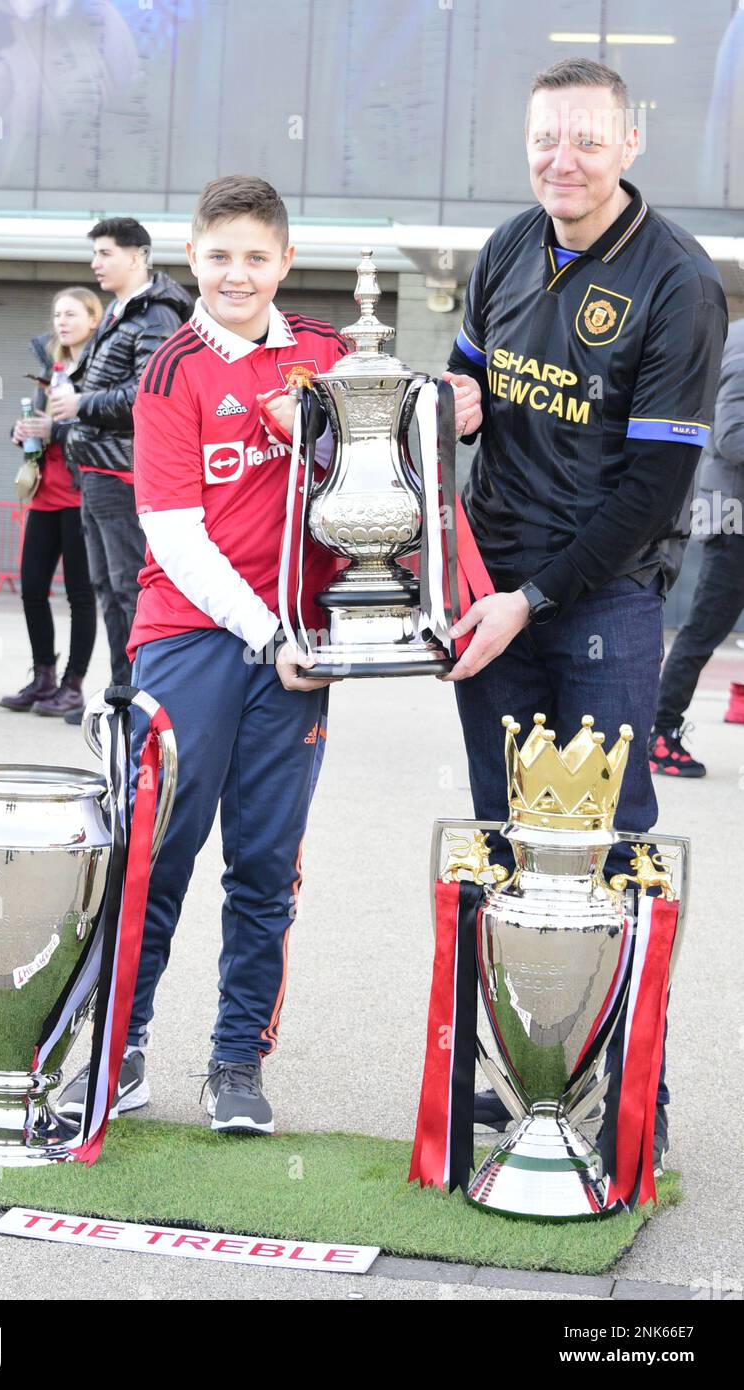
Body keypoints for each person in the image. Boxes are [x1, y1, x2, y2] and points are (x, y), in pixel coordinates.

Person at [441, 58, 728, 1168]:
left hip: (598, 601)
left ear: (633, 142)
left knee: (607, 856)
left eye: (587, 140)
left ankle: (631, 1094)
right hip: (491, 595)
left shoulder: (678, 282)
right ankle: (522, 1078)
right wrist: (455, 407)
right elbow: (465, 393)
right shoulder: (509, 246)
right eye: (545, 139)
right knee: (506, 849)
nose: (563, 159)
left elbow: (653, 494)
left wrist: (532, 599)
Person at [56, 175, 348, 1133]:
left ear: (286, 262)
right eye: (219, 257)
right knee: (162, 849)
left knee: (266, 864)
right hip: (191, 636)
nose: (237, 275)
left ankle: (234, 1065)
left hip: (297, 650)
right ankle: (121, 1043)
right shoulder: (171, 370)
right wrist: (268, 630)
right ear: (193, 259)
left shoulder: (328, 356)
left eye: (256, 258)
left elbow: (379, 472)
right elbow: (174, 533)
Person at [48, 219, 192, 713]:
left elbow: (149, 395)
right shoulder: (121, 312)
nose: (95, 263)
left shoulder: (156, 316)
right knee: (108, 589)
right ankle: (122, 695)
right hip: (98, 472)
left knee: (129, 590)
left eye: (105, 253)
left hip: (124, 475)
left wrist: (81, 404)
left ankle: (142, 701)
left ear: (137, 257)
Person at [648, 318, 744, 776]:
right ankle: (659, 735)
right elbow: (730, 436)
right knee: (704, 630)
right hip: (735, 521)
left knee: (704, 630)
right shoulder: (743, 344)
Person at [0, 287, 100, 717]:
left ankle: (73, 685)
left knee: (80, 594)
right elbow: (37, 424)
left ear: (93, 319)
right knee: (33, 589)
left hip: (82, 495)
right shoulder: (51, 366)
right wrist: (20, 432)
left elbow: (103, 428)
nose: (62, 321)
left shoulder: (100, 368)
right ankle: (43, 676)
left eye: (72, 313)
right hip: (43, 493)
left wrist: (53, 431)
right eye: (57, 313)